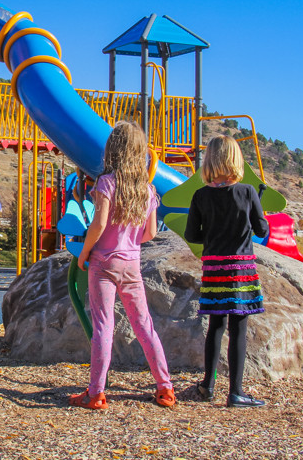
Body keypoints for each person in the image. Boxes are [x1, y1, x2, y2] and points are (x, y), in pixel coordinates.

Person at [69, 121, 175, 410]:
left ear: (112, 150)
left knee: (104, 326)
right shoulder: (147, 189)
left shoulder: (107, 183)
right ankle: (165, 387)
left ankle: (96, 393)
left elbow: (99, 223)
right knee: (143, 326)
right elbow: (151, 233)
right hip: (132, 264)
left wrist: (85, 253)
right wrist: (129, 242)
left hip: (103, 263)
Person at [184, 135, 269, 408]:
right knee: (239, 327)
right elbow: (262, 231)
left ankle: (208, 385)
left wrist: (213, 234)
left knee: (215, 326)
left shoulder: (200, 195)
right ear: (236, 159)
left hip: (213, 268)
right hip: (241, 267)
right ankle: (236, 392)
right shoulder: (247, 192)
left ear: (209, 160)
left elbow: (192, 235)